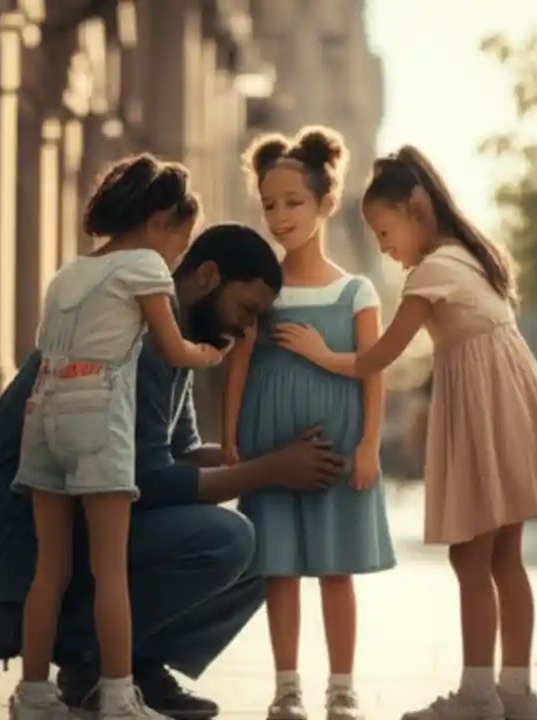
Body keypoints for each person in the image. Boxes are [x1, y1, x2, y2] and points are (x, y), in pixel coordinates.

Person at [0, 221, 349, 720]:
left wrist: (268, 455)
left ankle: (123, 665)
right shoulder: (141, 333)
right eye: (245, 310)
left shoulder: (178, 340)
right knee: (227, 538)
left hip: (66, 524)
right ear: (208, 277)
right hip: (6, 537)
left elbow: (176, 454)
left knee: (269, 537)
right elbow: (150, 482)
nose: (244, 329)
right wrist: (272, 469)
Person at [274, 145, 537, 720]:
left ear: (416, 206)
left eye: (384, 229)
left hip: (485, 416)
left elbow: (377, 358)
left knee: (471, 560)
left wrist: (323, 353)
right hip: (514, 410)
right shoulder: (473, 257)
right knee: (505, 560)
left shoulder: (433, 271)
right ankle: (517, 693)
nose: (382, 247)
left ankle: (477, 698)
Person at [12, 155, 231, 720]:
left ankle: (32, 694)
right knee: (111, 568)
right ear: (161, 221)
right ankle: (116, 693)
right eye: (181, 240)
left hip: (43, 415)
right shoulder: (145, 268)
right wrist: (212, 353)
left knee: (48, 569)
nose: (180, 254)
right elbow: (171, 346)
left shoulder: (69, 272)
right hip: (96, 415)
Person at [222, 127, 395, 720]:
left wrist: (370, 442)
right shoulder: (260, 291)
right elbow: (238, 368)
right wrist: (232, 444)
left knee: (334, 567)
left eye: (293, 202)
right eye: (270, 204)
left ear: (326, 203)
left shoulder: (356, 291)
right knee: (279, 570)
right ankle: (286, 687)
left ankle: (342, 687)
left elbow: (373, 370)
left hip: (340, 447)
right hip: (270, 450)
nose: (280, 215)